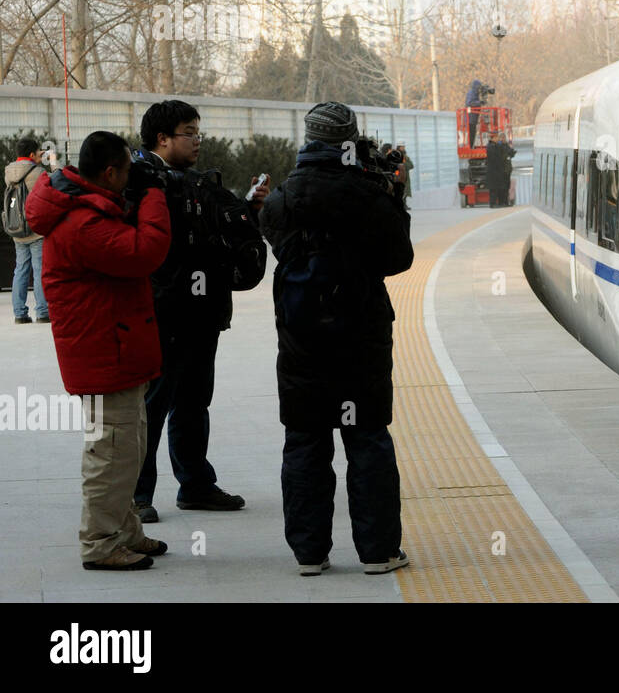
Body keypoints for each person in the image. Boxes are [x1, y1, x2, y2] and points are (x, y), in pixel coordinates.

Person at [259, 102, 415, 576]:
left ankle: (310, 554)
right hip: (360, 335)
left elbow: (276, 243)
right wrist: (396, 190)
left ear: (308, 138)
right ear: (350, 137)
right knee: (366, 437)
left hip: (301, 334)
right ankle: (378, 552)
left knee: (304, 439)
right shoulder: (369, 191)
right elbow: (398, 258)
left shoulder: (283, 195)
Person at [25, 131, 171, 570]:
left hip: (116, 347)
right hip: (104, 352)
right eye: (127, 171)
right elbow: (145, 251)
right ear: (109, 172)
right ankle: (100, 543)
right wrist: (153, 195)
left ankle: (124, 530)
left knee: (128, 449)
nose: (132, 179)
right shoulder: (82, 223)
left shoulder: (87, 206)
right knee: (110, 453)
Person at [131, 100, 268, 524]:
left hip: (201, 313)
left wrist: (250, 208)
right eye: (190, 132)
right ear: (163, 138)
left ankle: (195, 485)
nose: (198, 140)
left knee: (193, 401)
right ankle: (138, 494)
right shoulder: (137, 182)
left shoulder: (194, 182)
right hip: (161, 313)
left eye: (198, 132)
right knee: (153, 405)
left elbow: (214, 229)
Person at [5, 137, 51, 324]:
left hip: (17, 227)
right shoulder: (38, 172)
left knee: (20, 269)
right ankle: (42, 312)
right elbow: (49, 192)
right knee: (39, 270)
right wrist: (46, 162)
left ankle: (19, 313)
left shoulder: (8, 171)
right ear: (33, 154)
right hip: (35, 229)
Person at [485, 130, 515, 208]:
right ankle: (493, 203)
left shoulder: (497, 146)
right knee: (494, 188)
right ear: (494, 138)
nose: (499, 139)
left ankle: (502, 202)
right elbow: (495, 159)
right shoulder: (491, 147)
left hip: (499, 171)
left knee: (501, 187)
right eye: (498, 137)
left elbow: (507, 153)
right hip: (494, 171)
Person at [465, 79, 485, 148]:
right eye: (479, 87)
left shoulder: (475, 94)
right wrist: (479, 103)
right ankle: (470, 147)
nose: (479, 89)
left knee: (473, 133)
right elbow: (469, 103)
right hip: (470, 118)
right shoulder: (471, 93)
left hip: (473, 118)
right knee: (471, 133)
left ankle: (471, 146)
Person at [393, 141, 414, 207]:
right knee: (399, 190)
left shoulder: (405, 157)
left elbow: (411, 165)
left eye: (404, 147)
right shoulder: (395, 155)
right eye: (402, 147)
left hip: (405, 176)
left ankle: (404, 204)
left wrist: (403, 165)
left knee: (405, 190)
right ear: (399, 147)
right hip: (398, 176)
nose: (404, 148)